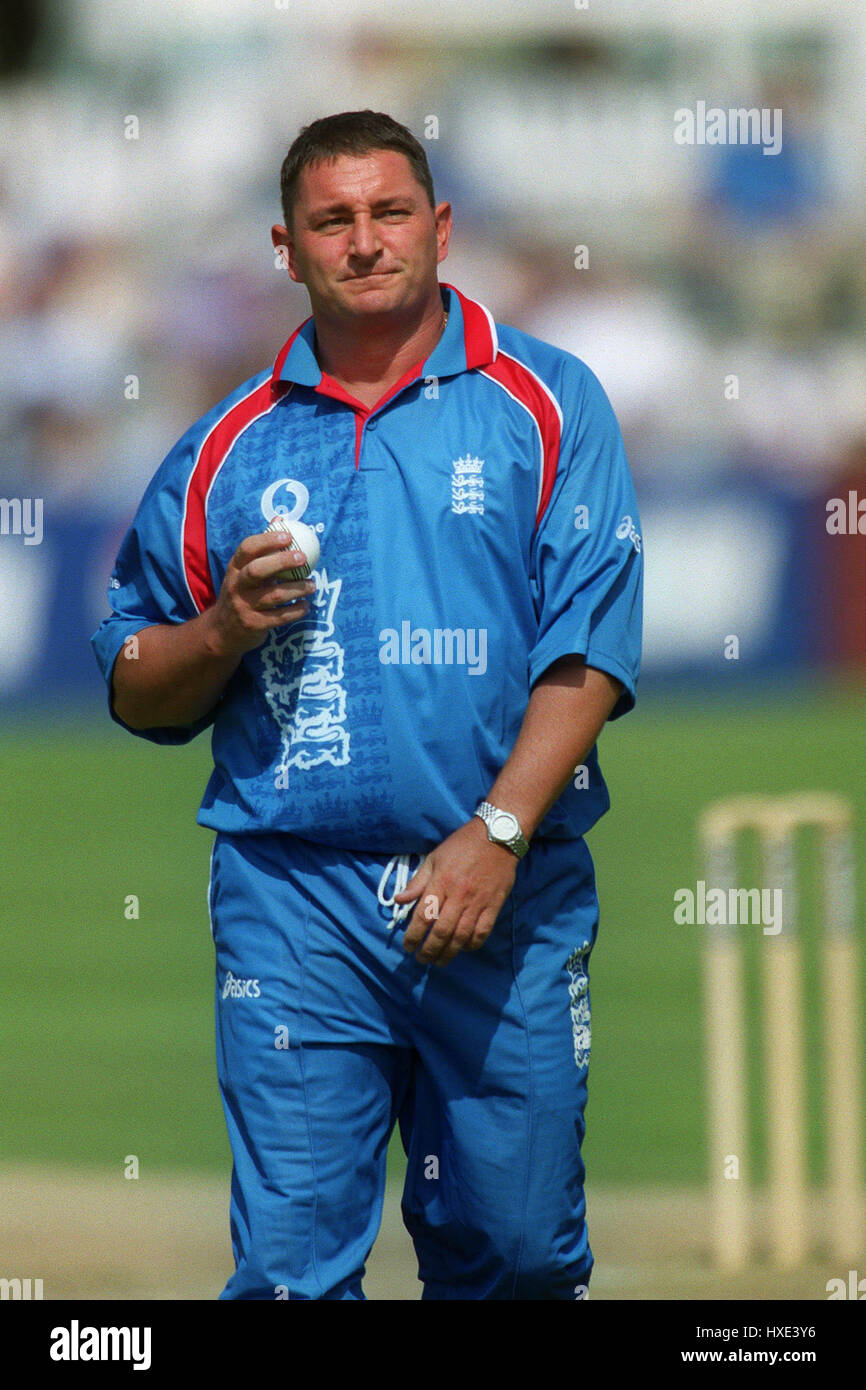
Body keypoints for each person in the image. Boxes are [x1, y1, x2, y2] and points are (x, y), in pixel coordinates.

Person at [91, 109, 643, 1301]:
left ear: (439, 228)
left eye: (389, 212)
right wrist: (223, 631)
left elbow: (588, 653)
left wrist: (495, 834)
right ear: (285, 250)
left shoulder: (546, 401)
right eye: (329, 221)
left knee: (516, 1256)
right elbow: (136, 682)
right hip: (295, 899)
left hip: (507, 886)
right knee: (289, 1270)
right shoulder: (224, 442)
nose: (363, 241)